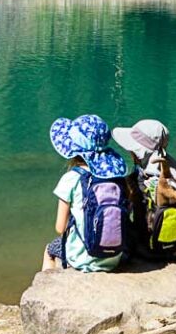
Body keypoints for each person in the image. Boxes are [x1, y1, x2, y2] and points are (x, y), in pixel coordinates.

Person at [42, 113, 129, 272]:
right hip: (115, 256)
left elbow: (60, 228)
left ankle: (48, 288)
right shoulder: (117, 177)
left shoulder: (71, 178)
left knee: (49, 250)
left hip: (81, 258)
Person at [112, 119, 176, 260]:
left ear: (138, 153)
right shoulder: (168, 178)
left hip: (145, 250)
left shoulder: (141, 179)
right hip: (172, 250)